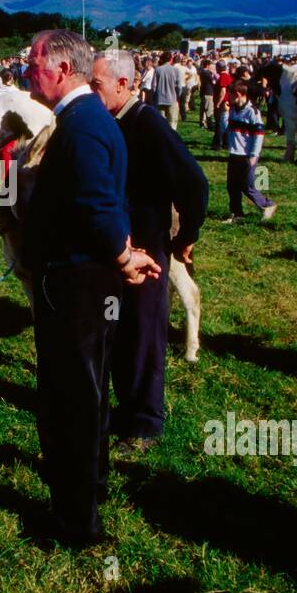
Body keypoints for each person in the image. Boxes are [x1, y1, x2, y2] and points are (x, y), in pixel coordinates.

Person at [21, 30, 160, 546]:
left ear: (61, 70)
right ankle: (90, 487)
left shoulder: (79, 127)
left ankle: (77, 522)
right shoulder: (87, 120)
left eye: (35, 64)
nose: (29, 71)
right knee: (90, 389)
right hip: (88, 279)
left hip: (76, 282)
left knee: (70, 398)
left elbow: (99, 206)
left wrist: (122, 255)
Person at [90, 49, 208, 455]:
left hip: (148, 246)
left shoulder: (147, 124)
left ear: (124, 85)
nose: (92, 91)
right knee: (117, 329)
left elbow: (194, 183)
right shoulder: (112, 122)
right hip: (118, 246)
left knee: (142, 332)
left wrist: (184, 237)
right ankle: (120, 411)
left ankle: (144, 423)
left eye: (97, 85)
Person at [222, 79, 276, 224]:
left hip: (247, 155)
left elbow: (258, 137)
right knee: (232, 186)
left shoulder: (253, 112)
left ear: (238, 94)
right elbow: (227, 129)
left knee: (247, 186)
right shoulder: (233, 110)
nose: (228, 98)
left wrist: (254, 155)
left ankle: (267, 205)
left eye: (230, 95)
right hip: (234, 153)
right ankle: (236, 213)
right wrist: (225, 114)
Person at [152, 55, 182, 129]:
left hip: (160, 99)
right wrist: (178, 96)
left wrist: (154, 97)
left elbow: (153, 86)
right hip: (172, 99)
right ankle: (171, 138)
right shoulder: (176, 70)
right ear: (171, 59)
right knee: (172, 122)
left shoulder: (157, 70)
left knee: (160, 123)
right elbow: (179, 86)